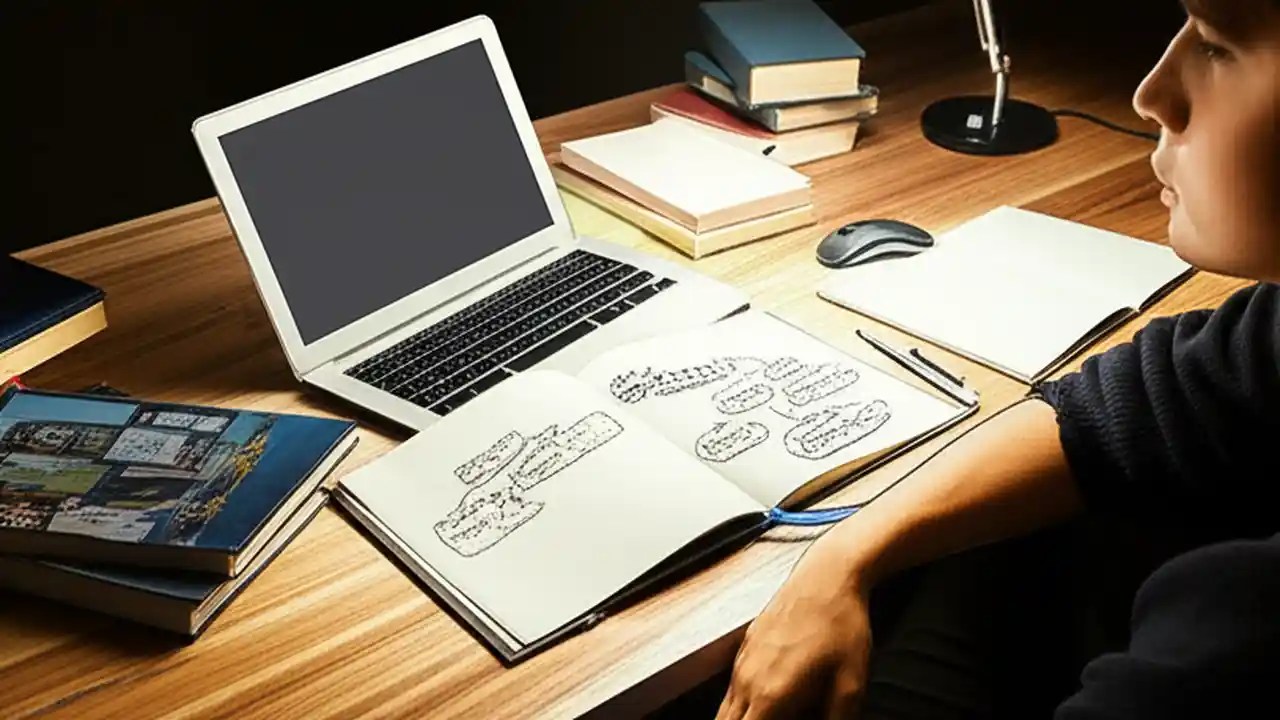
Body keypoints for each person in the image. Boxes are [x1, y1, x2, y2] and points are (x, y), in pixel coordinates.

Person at [714, 1, 1280, 717]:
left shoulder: (1236, 642)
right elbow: (1127, 404)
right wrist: (838, 558)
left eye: (1217, 45)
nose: (1152, 94)